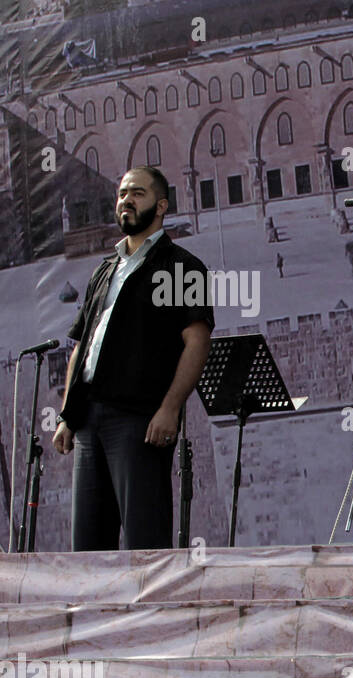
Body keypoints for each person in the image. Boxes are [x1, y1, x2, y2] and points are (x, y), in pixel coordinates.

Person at [53, 166, 213, 550]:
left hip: (139, 421)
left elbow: (196, 342)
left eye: (137, 193)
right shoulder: (104, 270)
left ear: (160, 206)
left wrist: (170, 408)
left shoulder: (181, 267)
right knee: (88, 548)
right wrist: (67, 414)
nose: (126, 200)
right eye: (122, 193)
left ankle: (153, 612)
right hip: (90, 419)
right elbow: (82, 346)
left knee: (145, 542)